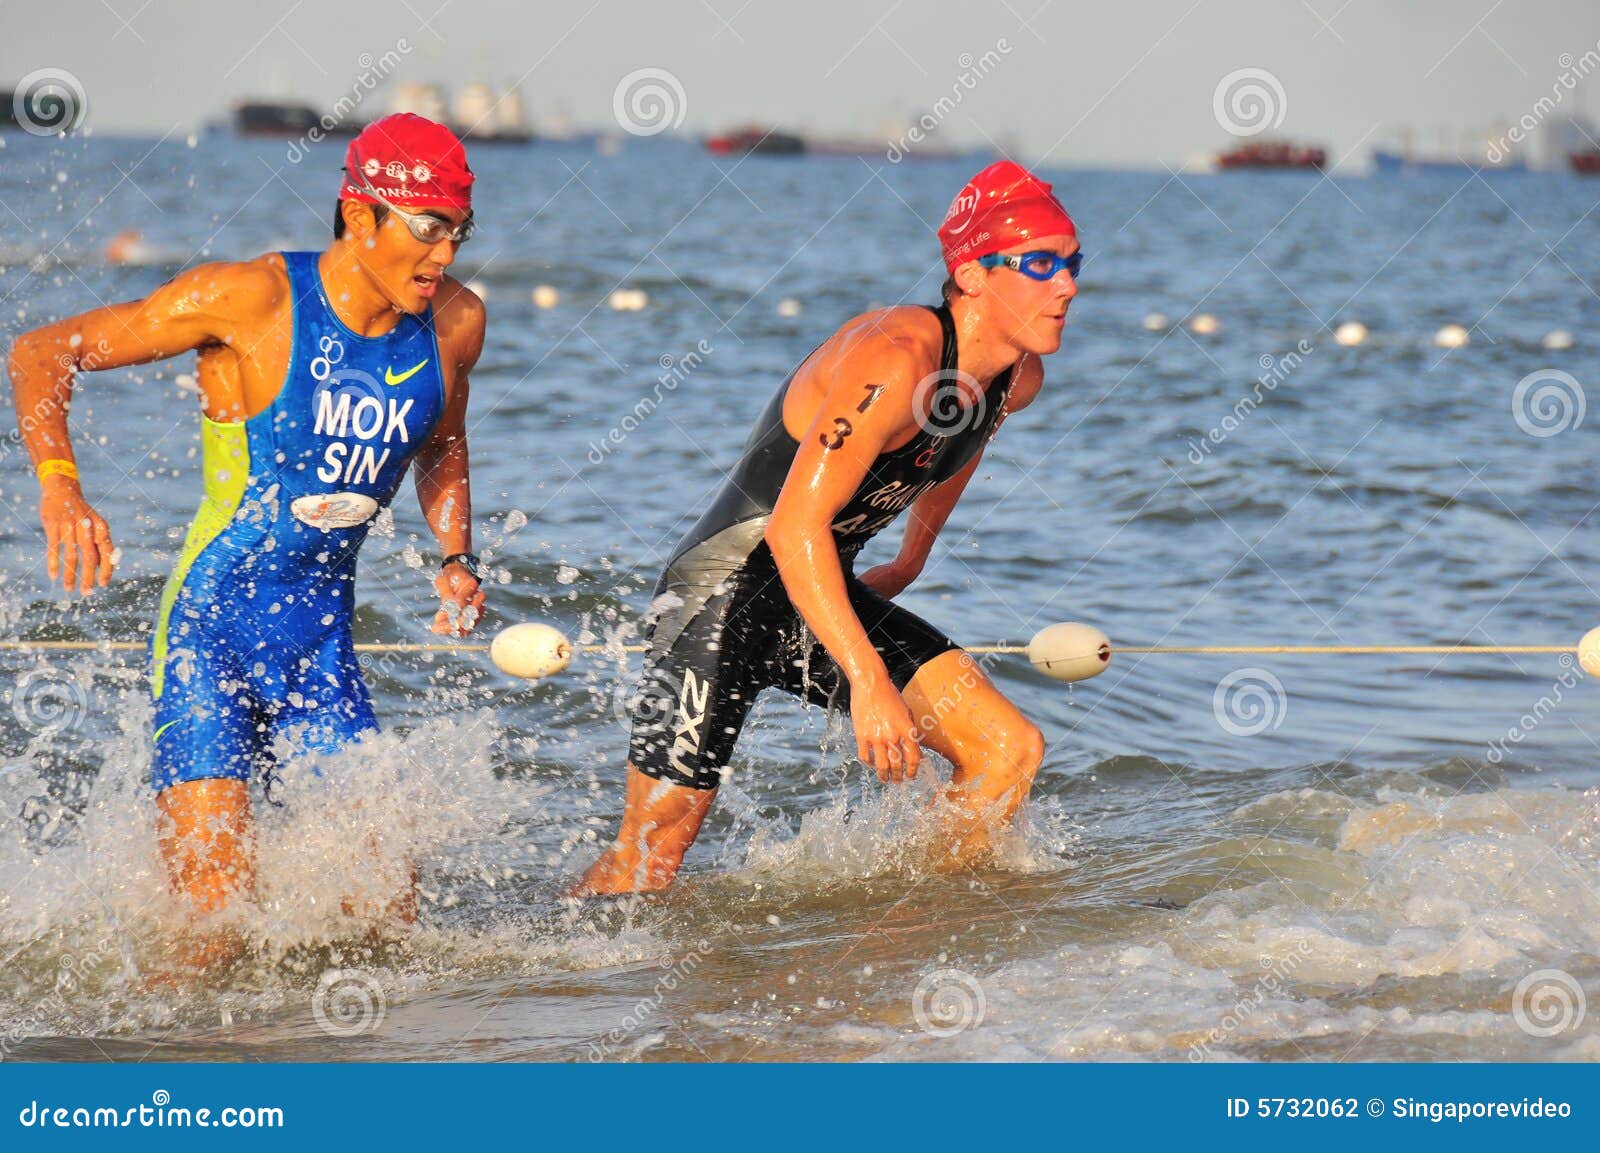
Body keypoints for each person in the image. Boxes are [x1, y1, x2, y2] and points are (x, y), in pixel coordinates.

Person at [7, 113, 488, 961]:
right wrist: (61, 487)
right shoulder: (252, 299)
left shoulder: (454, 323)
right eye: (429, 231)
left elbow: (442, 443)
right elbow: (44, 352)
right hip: (209, 641)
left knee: (387, 931)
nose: (445, 256)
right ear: (361, 214)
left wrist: (455, 556)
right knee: (210, 941)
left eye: (457, 231)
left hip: (322, 649)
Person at [578, 161, 1080, 894]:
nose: (1066, 284)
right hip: (721, 595)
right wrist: (869, 679)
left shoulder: (1015, 378)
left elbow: (955, 454)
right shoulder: (894, 360)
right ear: (971, 274)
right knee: (648, 863)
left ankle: (900, 946)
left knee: (1007, 751)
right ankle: (543, 980)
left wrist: (910, 557)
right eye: (1039, 264)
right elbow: (791, 529)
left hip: (815, 595)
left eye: (1071, 262)